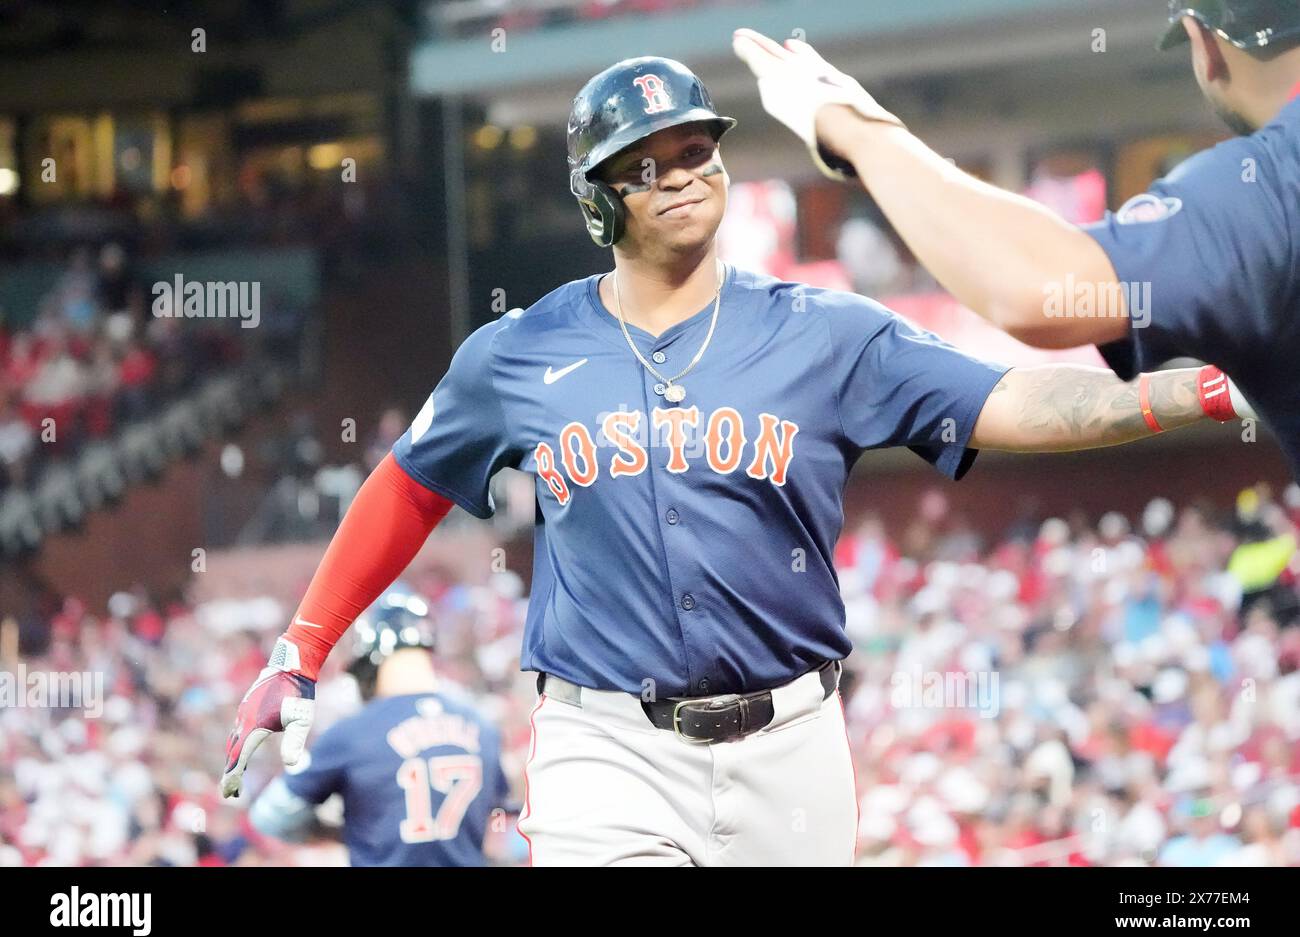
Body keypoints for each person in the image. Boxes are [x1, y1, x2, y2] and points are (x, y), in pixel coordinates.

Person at [222, 56, 1252, 867]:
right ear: (597, 198)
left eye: (694, 150)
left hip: (792, 736)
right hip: (605, 738)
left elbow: (1009, 399)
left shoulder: (822, 331)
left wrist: (1177, 390)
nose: (679, 175)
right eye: (645, 162)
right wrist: (301, 649)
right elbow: (405, 486)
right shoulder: (518, 351)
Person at [732, 1, 1299, 474]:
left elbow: (1041, 292)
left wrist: (850, 126)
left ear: (1207, 44)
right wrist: (1212, 391)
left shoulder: (1269, 180)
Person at [248, 585, 509, 866]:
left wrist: (340, 833)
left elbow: (271, 815)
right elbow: (500, 814)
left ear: (373, 657)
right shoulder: (483, 727)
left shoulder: (353, 733)